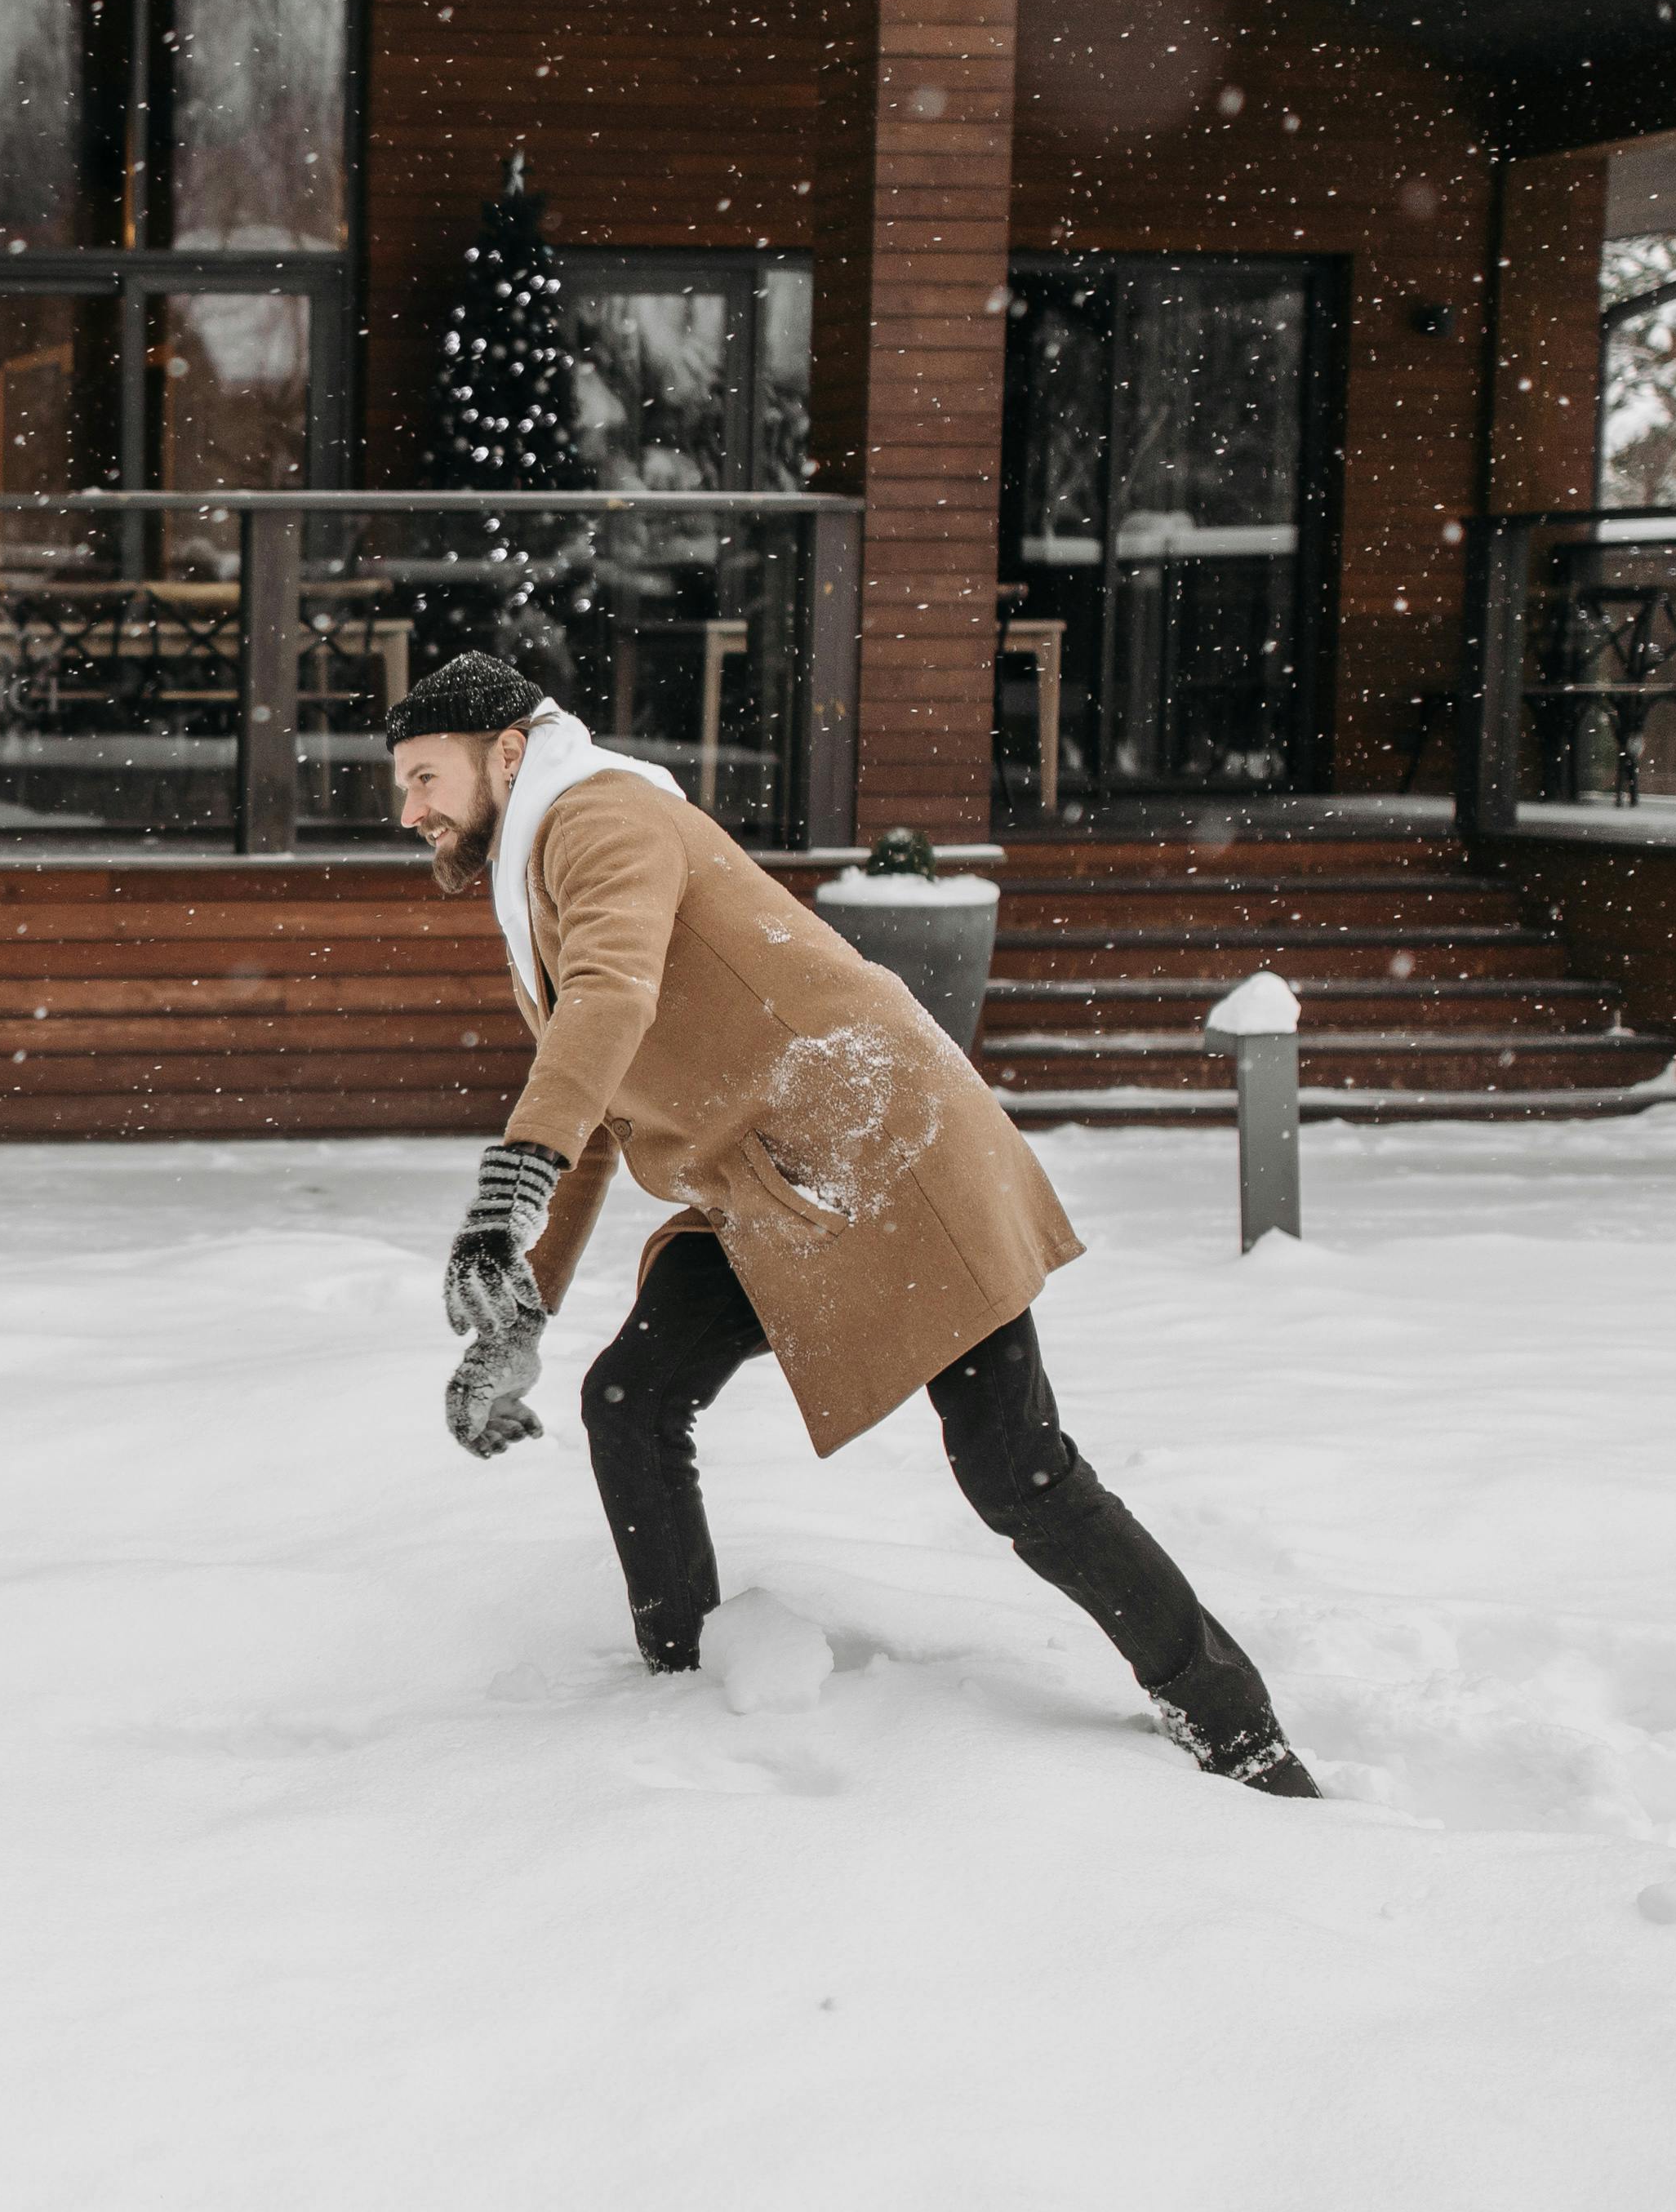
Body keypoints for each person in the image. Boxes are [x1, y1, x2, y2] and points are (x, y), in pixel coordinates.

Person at [386, 651, 1317, 1794]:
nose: (410, 810)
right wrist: (518, 1309)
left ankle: (1235, 1725)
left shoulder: (599, 818)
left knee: (1013, 1470)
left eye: (426, 778)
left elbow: (611, 1001)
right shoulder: (536, 866)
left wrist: (504, 1182)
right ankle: (679, 1690)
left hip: (882, 1148)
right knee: (628, 1398)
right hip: (768, 1182)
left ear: (508, 755)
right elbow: (598, 1085)